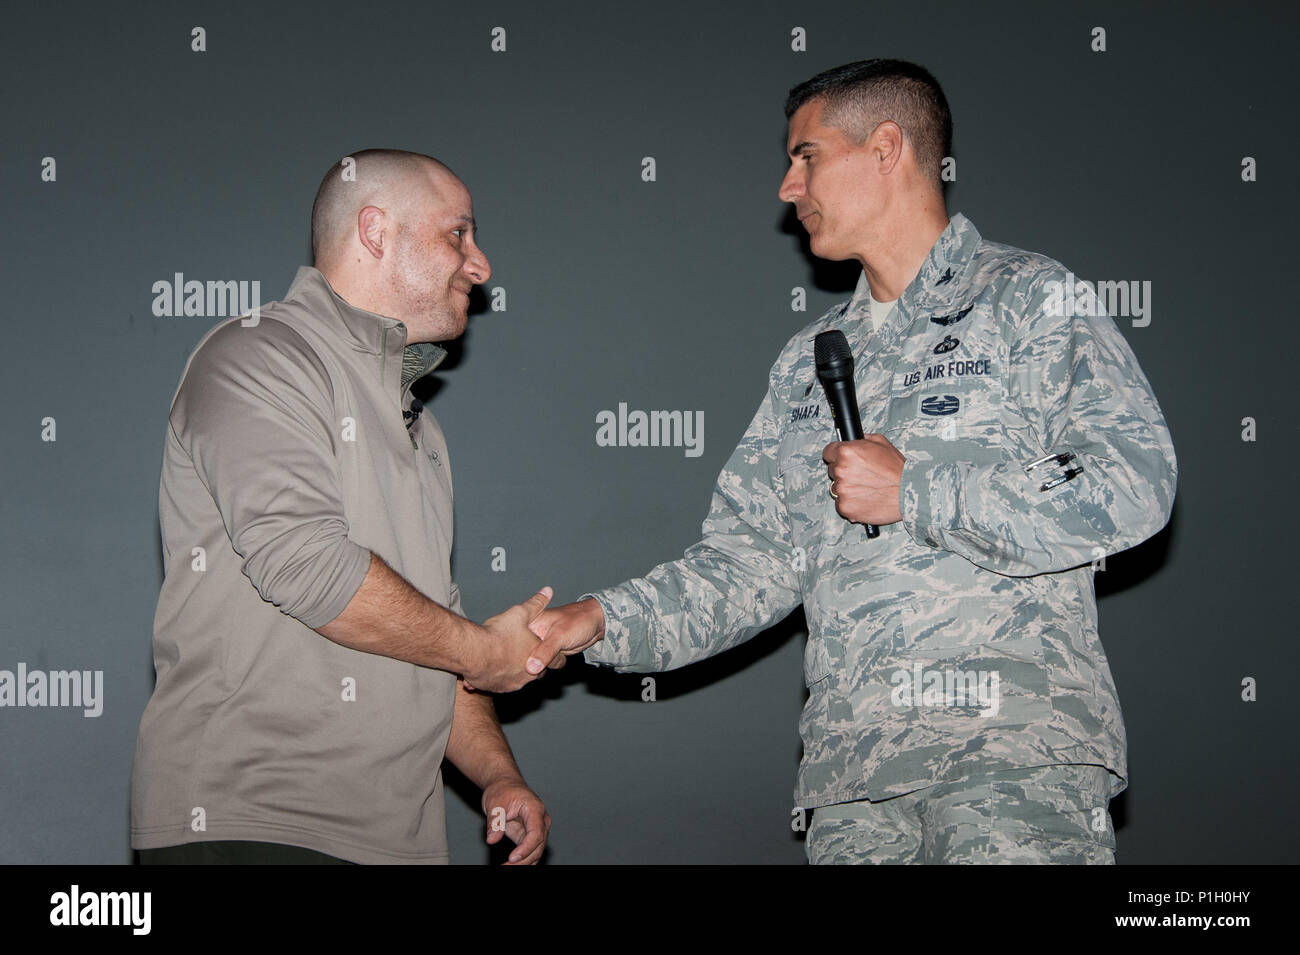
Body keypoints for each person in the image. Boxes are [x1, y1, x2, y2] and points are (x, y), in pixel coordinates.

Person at [527, 60, 1177, 864]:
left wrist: (920, 491)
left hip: (1012, 764)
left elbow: (1131, 482)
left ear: (886, 148)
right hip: (854, 787)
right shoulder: (809, 358)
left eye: (805, 156)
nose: (786, 187)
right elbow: (753, 560)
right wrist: (597, 621)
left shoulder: (1030, 298)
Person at [132, 149, 553, 865]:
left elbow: (427, 631)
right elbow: (310, 569)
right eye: (459, 234)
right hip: (257, 825)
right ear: (375, 230)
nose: (480, 266)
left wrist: (497, 775)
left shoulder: (420, 426)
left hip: (399, 844)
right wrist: (486, 651)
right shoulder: (260, 355)